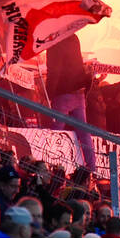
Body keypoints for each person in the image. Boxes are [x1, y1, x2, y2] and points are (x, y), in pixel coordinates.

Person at [45, 33, 96, 169]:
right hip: (78, 92)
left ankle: (50, 164)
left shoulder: (54, 41)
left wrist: (48, 93)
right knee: (84, 132)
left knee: (56, 131)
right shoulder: (73, 37)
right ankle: (92, 167)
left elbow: (54, 70)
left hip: (63, 92)